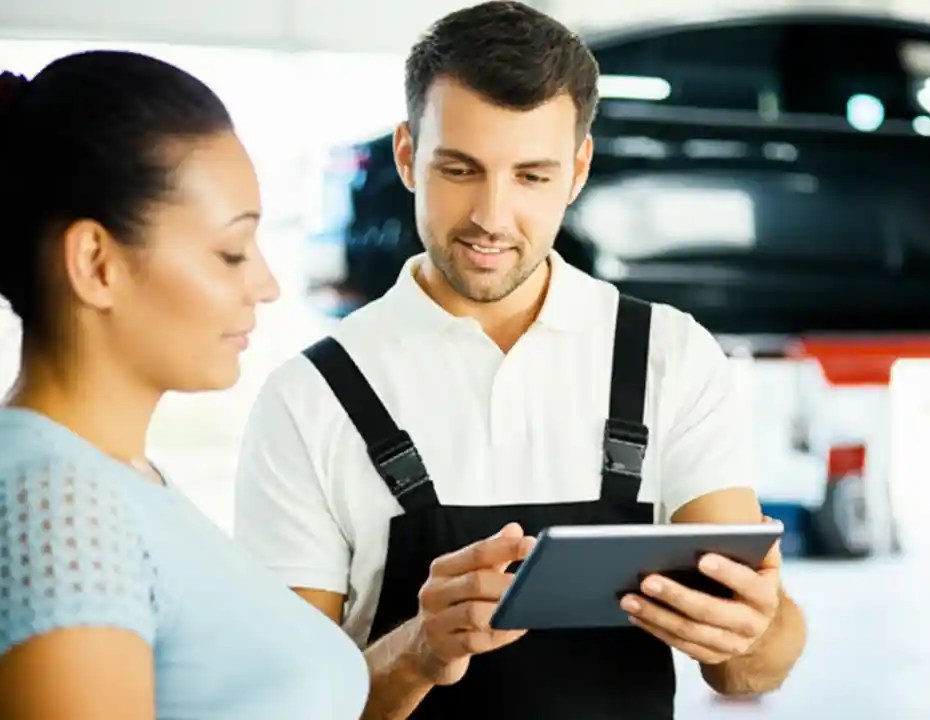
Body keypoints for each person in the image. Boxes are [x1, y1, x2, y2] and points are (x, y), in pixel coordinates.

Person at [234, 2, 807, 718]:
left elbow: (748, 673)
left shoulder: (670, 355)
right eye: (461, 169)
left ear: (577, 170)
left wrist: (755, 629)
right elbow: (282, 707)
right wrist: (419, 650)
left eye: (532, 176)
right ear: (409, 156)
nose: (491, 217)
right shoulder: (309, 398)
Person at [0, 51, 369, 719]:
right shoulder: (53, 511)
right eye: (231, 252)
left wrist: (414, 659)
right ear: (97, 263)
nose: (264, 285)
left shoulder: (116, 481)